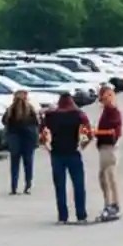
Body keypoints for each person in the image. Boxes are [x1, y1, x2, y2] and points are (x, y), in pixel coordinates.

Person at [39, 93, 93, 224]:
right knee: (78, 185)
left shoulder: (51, 116)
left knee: (60, 186)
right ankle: (81, 215)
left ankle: (63, 216)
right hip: (73, 152)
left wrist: (47, 146)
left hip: (57, 153)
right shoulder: (79, 114)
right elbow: (88, 133)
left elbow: (41, 132)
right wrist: (82, 145)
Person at [1, 89, 40, 195]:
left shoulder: (10, 109)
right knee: (28, 164)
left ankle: (14, 187)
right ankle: (28, 186)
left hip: (14, 140)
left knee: (14, 164)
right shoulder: (30, 109)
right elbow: (37, 124)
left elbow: (4, 121)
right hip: (28, 140)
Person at [93, 84, 123, 219]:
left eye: (107, 97)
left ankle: (114, 205)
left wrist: (97, 132)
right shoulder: (106, 111)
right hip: (103, 148)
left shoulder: (113, 112)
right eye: (103, 99)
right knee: (103, 177)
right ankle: (109, 204)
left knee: (109, 175)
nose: (104, 101)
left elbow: (113, 132)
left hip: (109, 148)